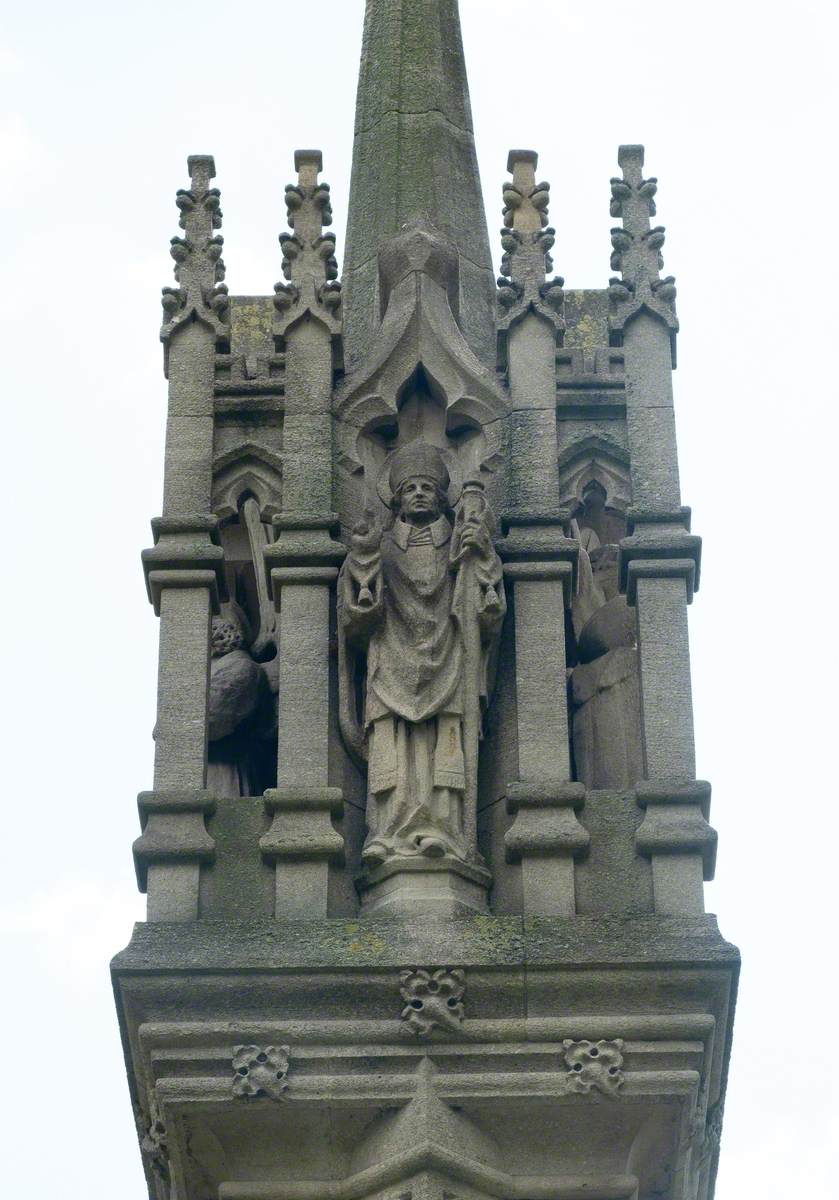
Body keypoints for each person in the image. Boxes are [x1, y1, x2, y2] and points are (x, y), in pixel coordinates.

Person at [339, 442, 504, 867]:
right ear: (395, 497)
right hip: (391, 656)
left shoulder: (460, 549)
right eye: (409, 487)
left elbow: (488, 612)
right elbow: (357, 612)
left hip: (447, 656)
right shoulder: (381, 546)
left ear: (441, 495)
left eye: (427, 487)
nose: (418, 493)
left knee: (444, 743)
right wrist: (363, 559)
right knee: (390, 741)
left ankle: (444, 832)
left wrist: (481, 556)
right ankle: (385, 832)